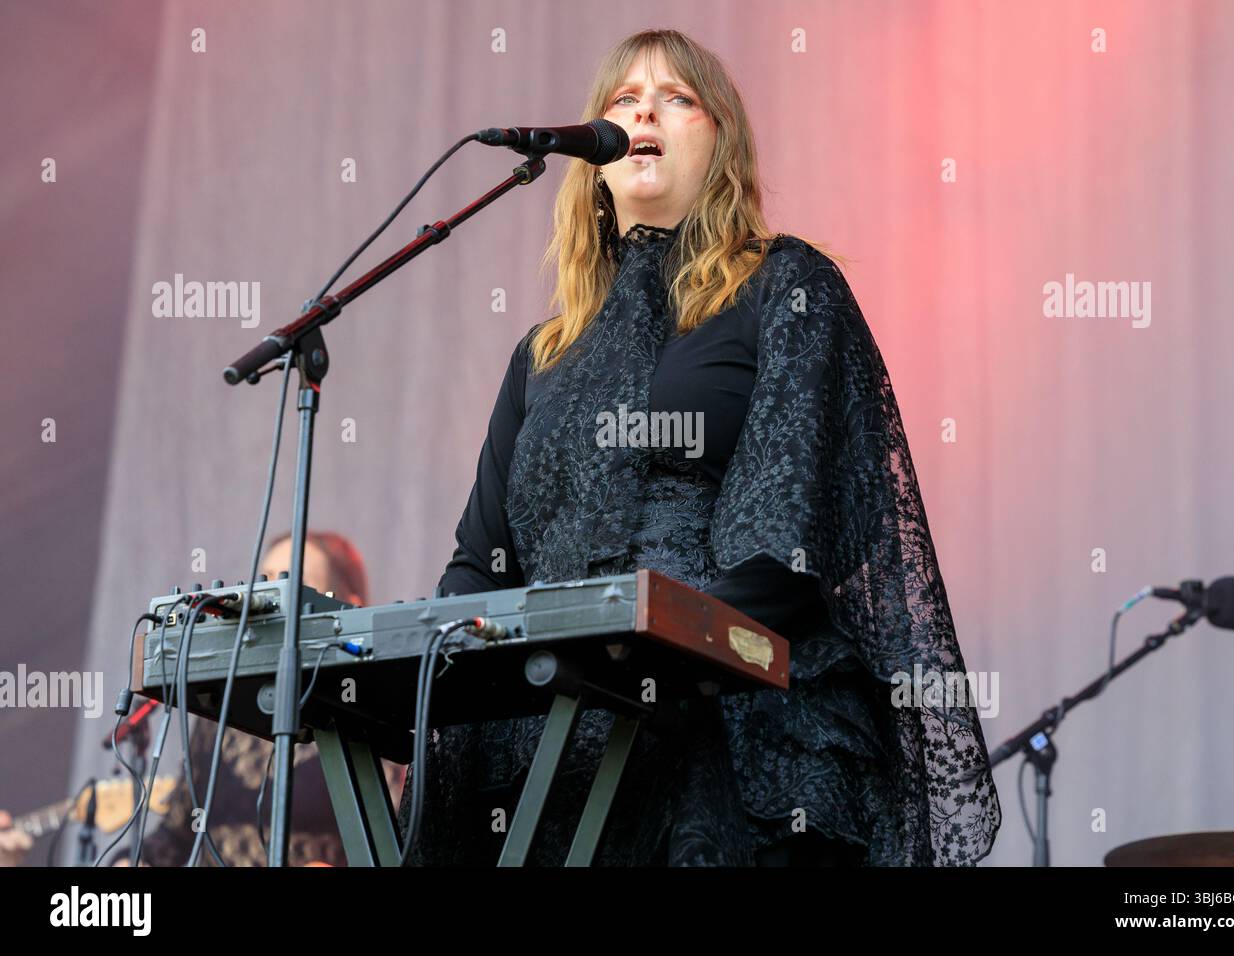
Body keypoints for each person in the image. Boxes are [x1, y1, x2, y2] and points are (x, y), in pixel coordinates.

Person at [398, 29, 1001, 866]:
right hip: (543, 745)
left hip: (720, 725)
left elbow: (789, 536)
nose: (644, 108)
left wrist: (652, 647)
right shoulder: (542, 357)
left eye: (677, 97)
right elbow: (481, 562)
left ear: (722, 143)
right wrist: (430, 667)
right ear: (593, 156)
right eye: (622, 99)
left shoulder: (786, 288)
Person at [116, 530, 399, 866]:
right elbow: (177, 836)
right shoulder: (219, 711)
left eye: (293, 582)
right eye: (265, 583)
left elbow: (402, 842)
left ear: (350, 606)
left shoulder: (369, 711)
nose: (272, 598)